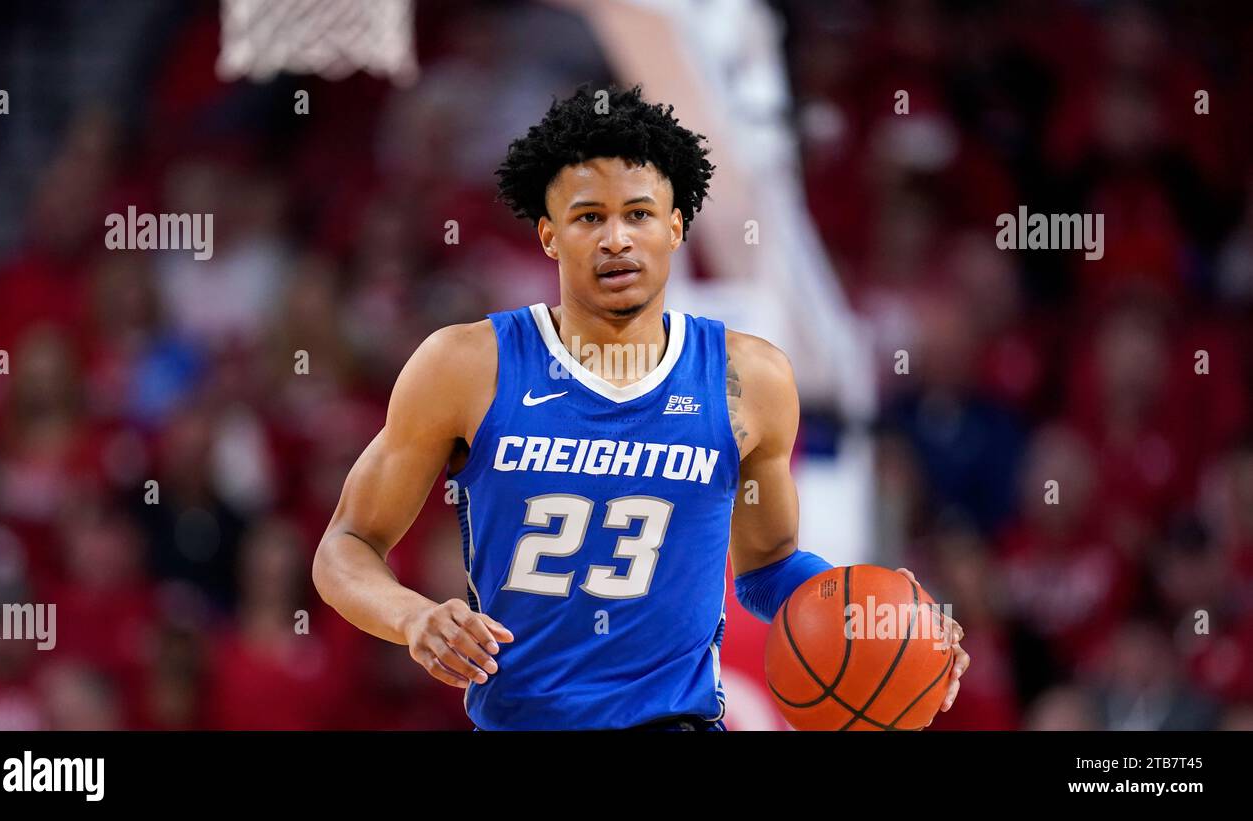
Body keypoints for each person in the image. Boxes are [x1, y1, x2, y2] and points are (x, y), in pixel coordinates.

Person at [312, 84, 969, 730]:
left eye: (639, 214)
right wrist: (413, 616)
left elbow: (767, 570)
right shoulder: (464, 364)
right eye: (589, 216)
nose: (616, 239)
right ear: (549, 235)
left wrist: (885, 618)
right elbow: (345, 544)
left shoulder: (751, 378)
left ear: (676, 226)